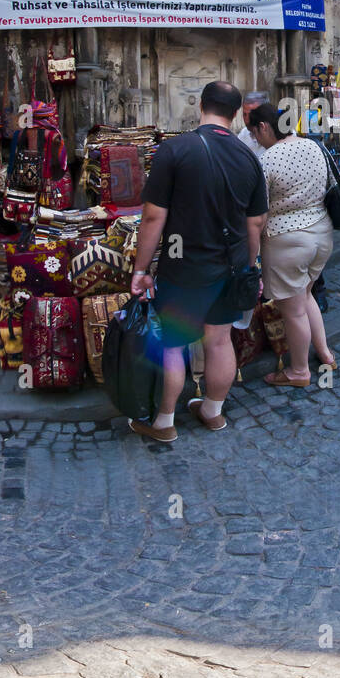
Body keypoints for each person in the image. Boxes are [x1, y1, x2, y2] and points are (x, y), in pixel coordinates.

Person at [127, 80, 268, 441]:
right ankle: (212, 411)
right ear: (236, 114)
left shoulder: (175, 150)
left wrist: (140, 270)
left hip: (183, 260)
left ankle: (164, 422)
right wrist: (250, 267)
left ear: (200, 105)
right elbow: (256, 223)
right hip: (231, 263)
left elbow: (153, 218)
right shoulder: (249, 156)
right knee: (219, 341)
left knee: (174, 341)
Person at [246, 96, 337, 389]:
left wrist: (251, 256)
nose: (254, 138)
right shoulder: (313, 146)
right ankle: (325, 353)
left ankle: (299, 372)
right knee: (306, 295)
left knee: (293, 309)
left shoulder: (265, 160)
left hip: (287, 241)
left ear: (263, 127)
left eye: (254, 132)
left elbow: (258, 215)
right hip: (322, 234)